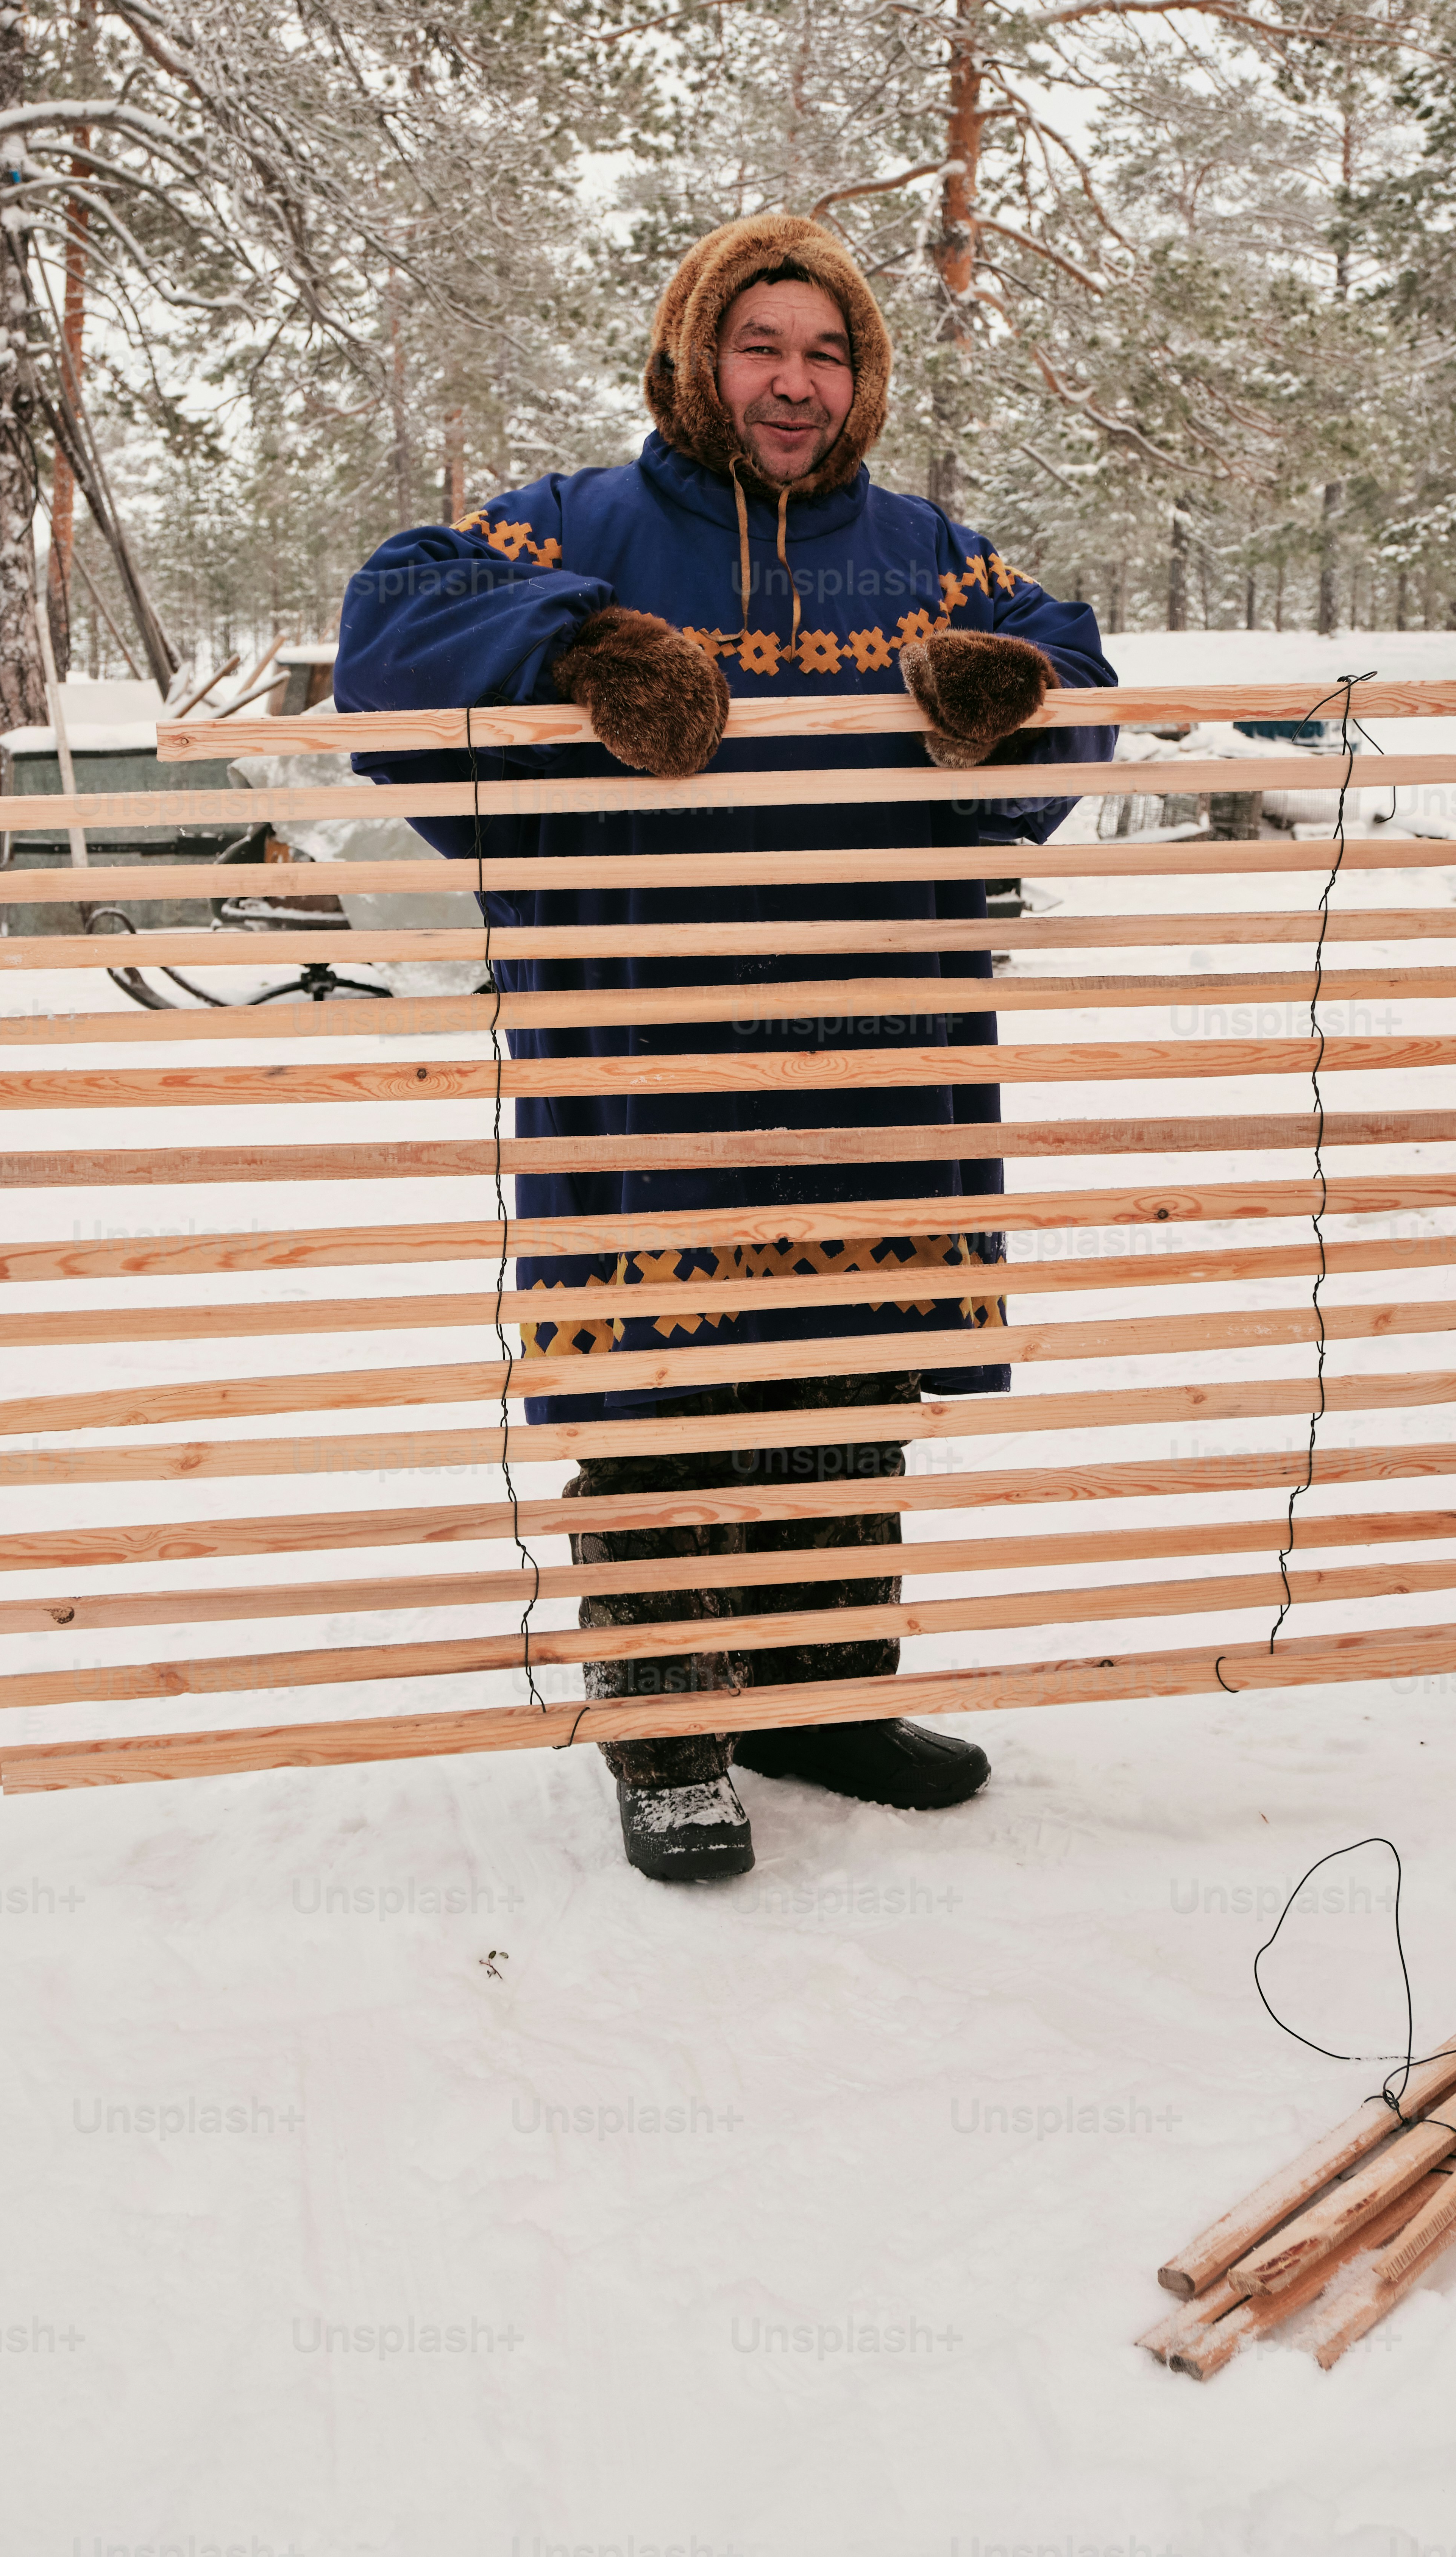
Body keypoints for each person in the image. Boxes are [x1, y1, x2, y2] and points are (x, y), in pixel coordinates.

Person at [335, 212, 1116, 1883]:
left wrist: (1005, 688)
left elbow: (1072, 662)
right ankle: (672, 1729)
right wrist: (580, 643)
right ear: (696, 359)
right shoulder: (573, 528)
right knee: (664, 1375)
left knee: (846, 1357)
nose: (794, 383)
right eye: (761, 346)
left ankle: (820, 1696)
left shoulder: (924, 553)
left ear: (864, 377)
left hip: (875, 1041)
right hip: (649, 1042)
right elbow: (390, 617)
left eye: (826, 353)